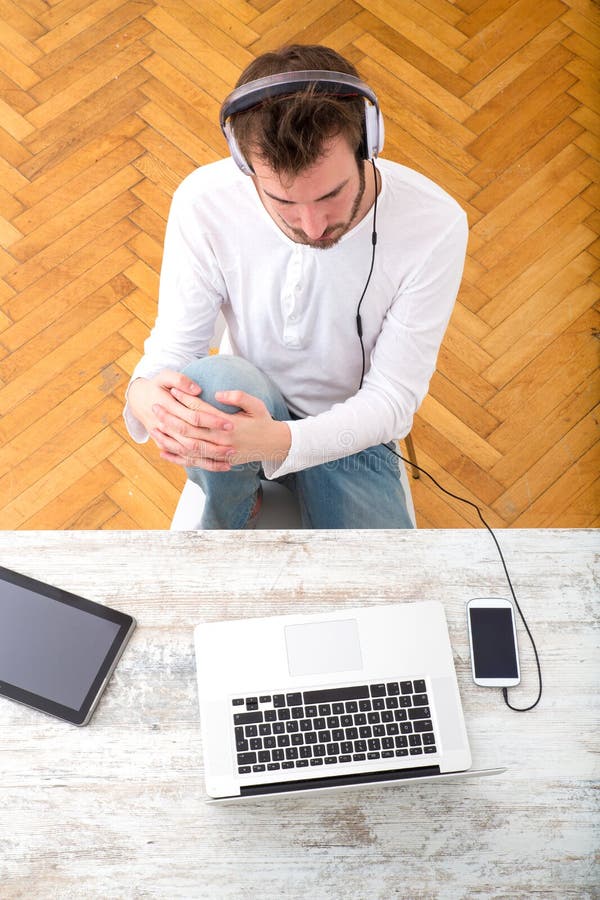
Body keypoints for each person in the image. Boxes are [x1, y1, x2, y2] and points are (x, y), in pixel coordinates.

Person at [124, 44, 468, 529]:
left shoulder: (435, 223)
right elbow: (174, 349)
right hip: (240, 407)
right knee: (216, 382)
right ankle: (237, 508)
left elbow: (391, 398)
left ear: (368, 144)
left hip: (351, 431)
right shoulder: (204, 201)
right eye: (283, 200)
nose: (312, 225)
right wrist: (144, 396)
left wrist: (277, 443)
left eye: (331, 194)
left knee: (379, 591)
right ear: (246, 166)